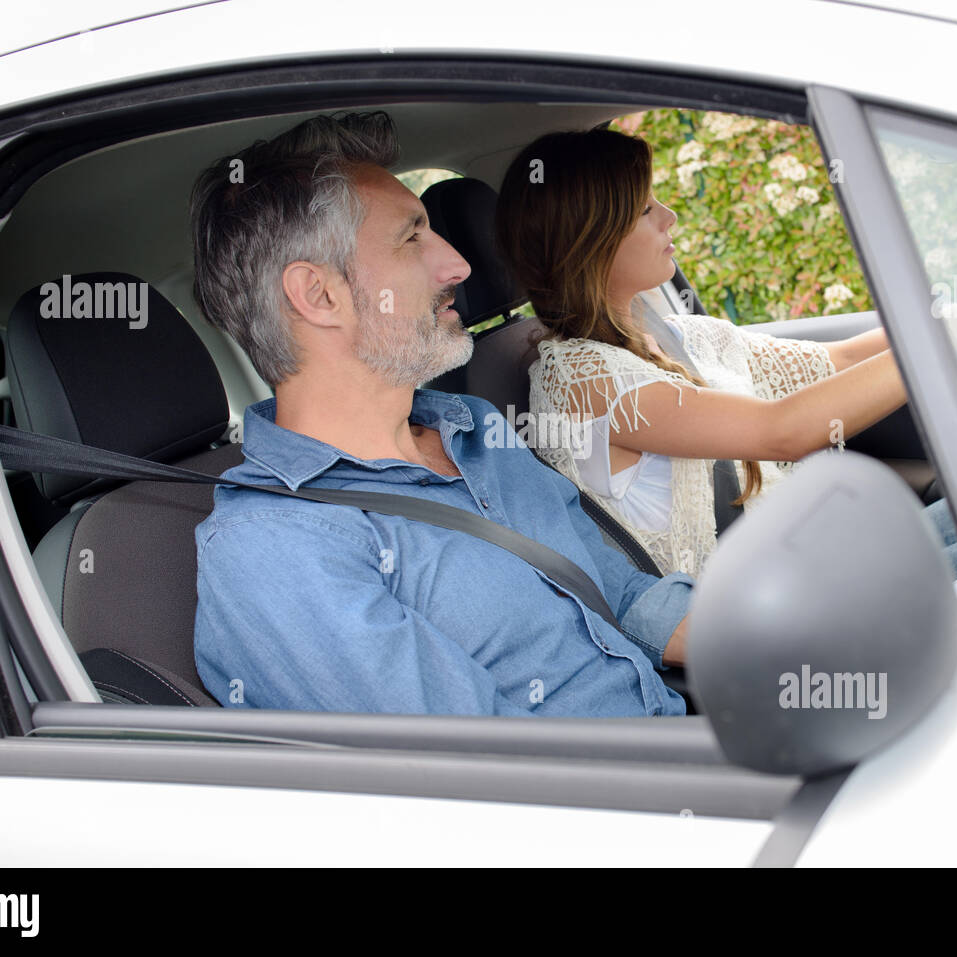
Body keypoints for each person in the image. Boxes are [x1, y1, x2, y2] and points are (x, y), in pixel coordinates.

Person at [188, 112, 691, 716]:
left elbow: (623, 597)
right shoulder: (275, 551)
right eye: (412, 238)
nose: (459, 265)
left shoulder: (474, 429)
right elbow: (491, 782)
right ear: (320, 295)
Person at [495, 128, 957, 576]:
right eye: (648, 210)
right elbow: (781, 432)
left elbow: (843, 363)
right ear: (593, 237)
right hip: (770, 614)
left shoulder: (682, 337)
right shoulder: (581, 379)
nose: (671, 218)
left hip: (811, 559)